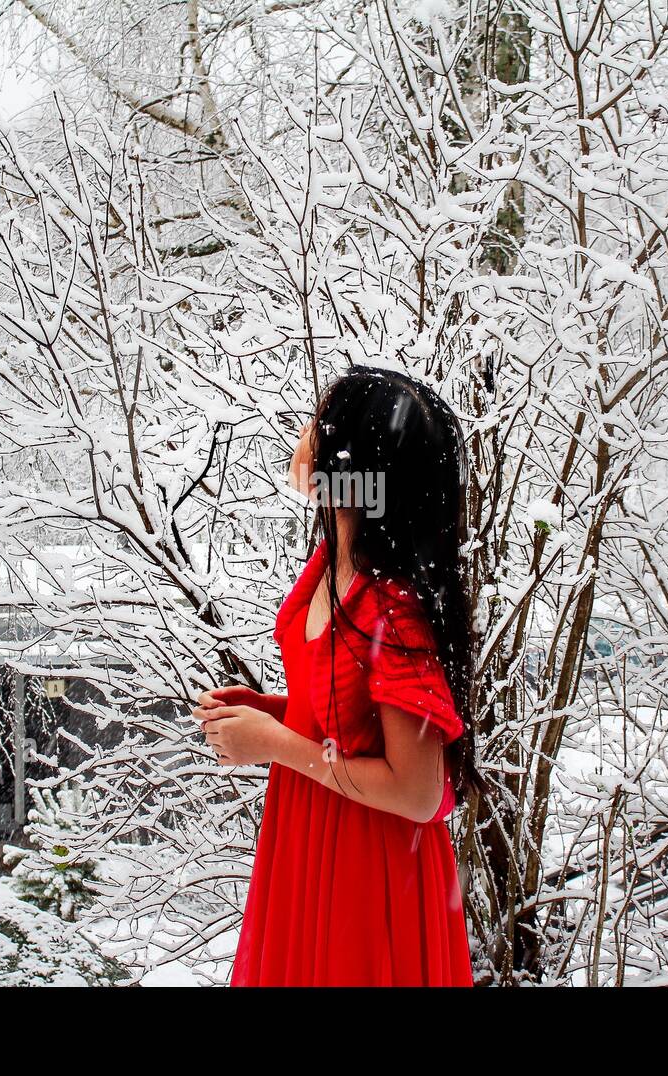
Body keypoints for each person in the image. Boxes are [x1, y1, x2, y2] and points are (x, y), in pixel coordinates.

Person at [193, 366, 477, 986]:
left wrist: (275, 745)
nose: (303, 437)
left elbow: (418, 790)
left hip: (367, 868)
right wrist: (274, 712)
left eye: (318, 426)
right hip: (311, 832)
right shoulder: (333, 563)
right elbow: (349, 713)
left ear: (355, 469)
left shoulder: (393, 610)